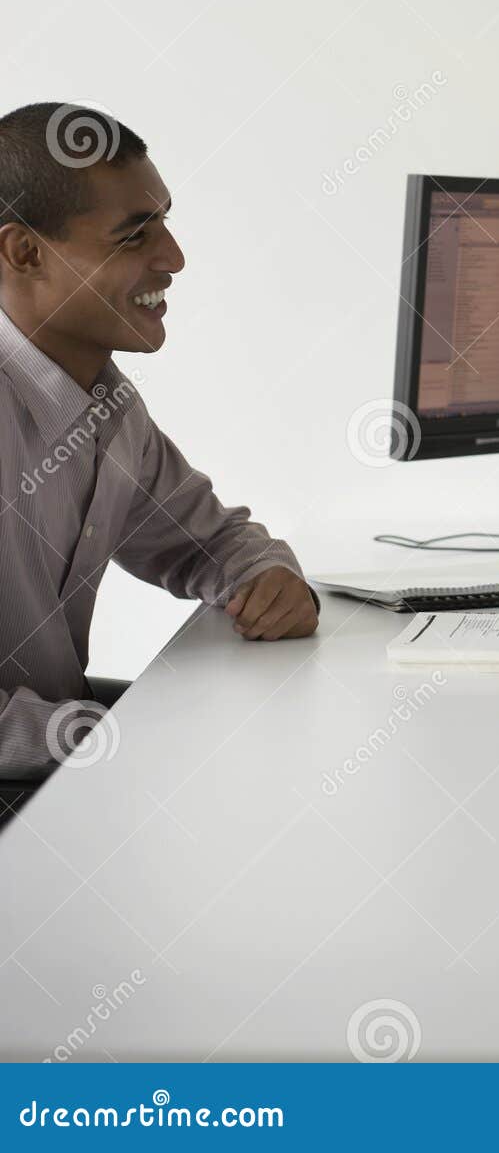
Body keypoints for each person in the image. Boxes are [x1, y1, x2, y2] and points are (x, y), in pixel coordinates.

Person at [0, 103, 318, 818]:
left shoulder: (108, 408)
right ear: (23, 253)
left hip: (47, 765)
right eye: (133, 235)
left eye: (164, 220)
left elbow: (210, 543)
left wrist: (267, 575)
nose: (173, 257)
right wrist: (103, 738)